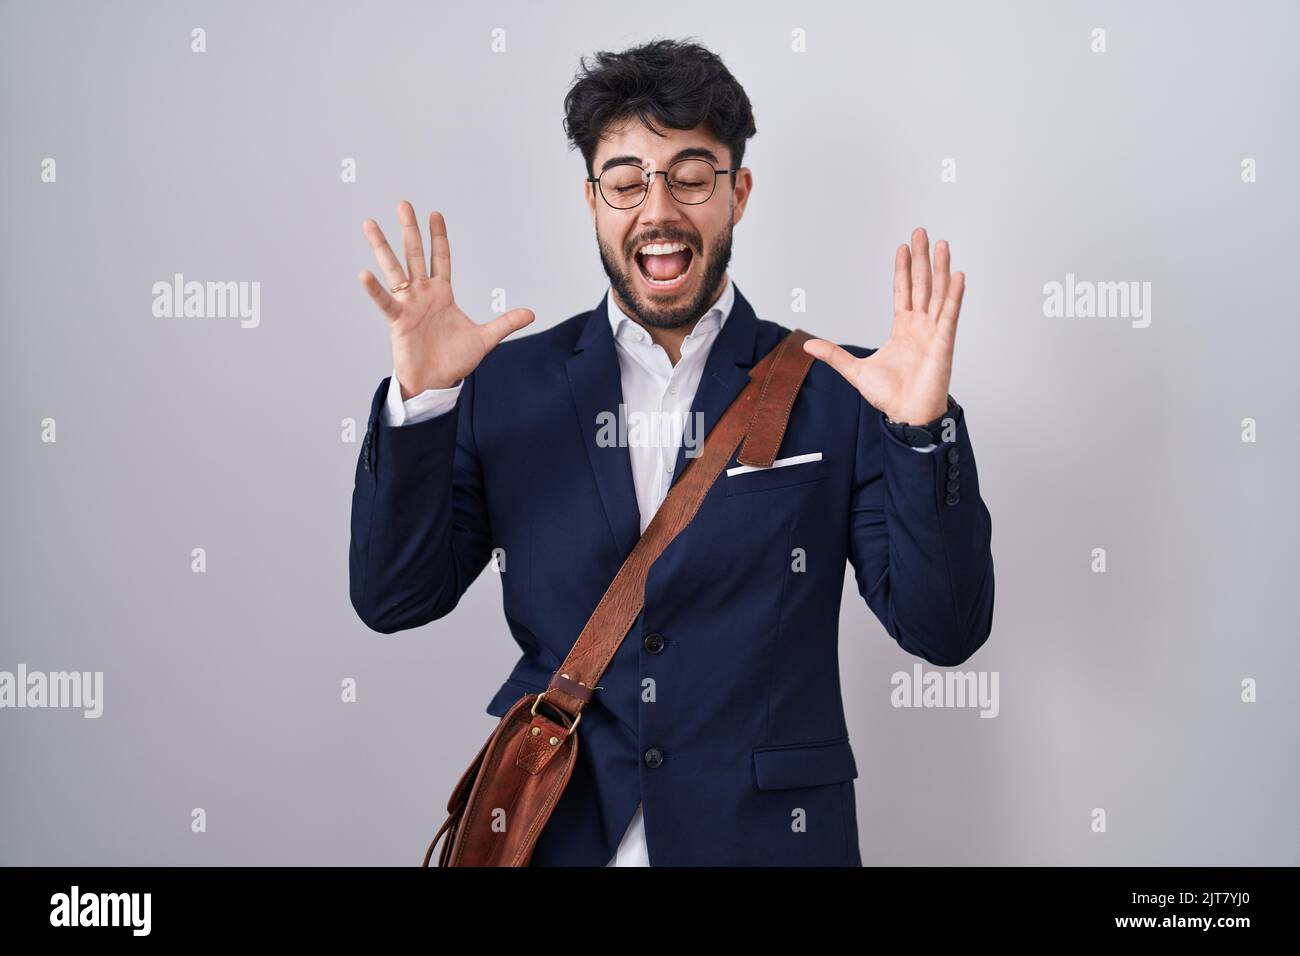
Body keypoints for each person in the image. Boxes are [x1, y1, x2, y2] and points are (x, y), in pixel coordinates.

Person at [349, 38, 994, 866]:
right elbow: (393, 598)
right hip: (557, 834)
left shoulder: (838, 392)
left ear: (739, 193)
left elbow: (944, 631)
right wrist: (426, 401)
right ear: (592, 200)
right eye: (626, 181)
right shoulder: (504, 386)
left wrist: (917, 430)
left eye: (692, 176)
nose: (658, 210)